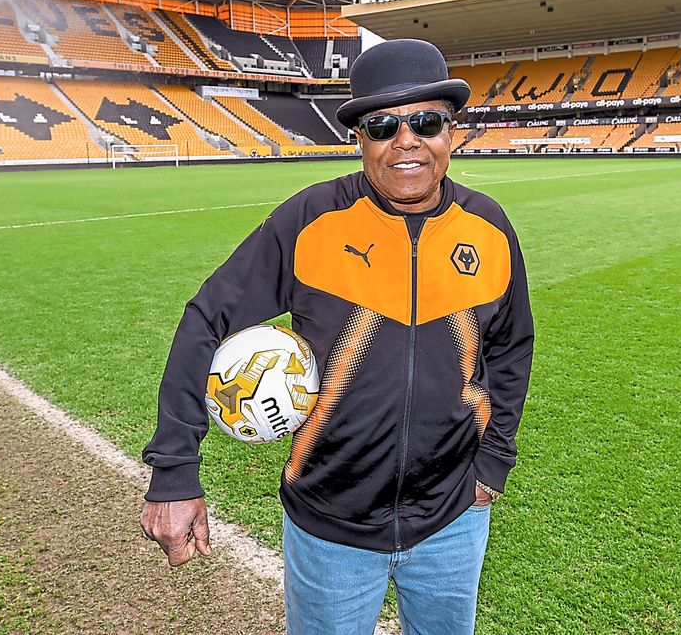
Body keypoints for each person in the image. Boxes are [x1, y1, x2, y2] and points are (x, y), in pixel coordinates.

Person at [140, 38, 534, 635]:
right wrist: (174, 469)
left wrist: (494, 460)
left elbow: (511, 348)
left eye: (426, 123)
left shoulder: (489, 227)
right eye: (383, 126)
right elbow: (206, 319)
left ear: (452, 132)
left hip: (453, 517)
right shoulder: (311, 220)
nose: (407, 141)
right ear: (359, 138)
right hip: (329, 528)